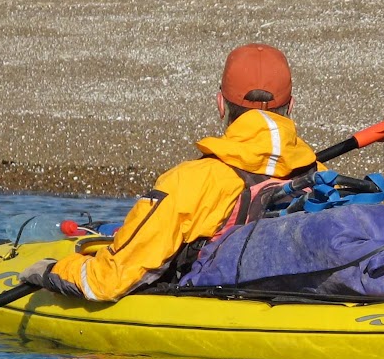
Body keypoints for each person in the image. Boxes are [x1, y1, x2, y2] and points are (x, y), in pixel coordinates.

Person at [19, 43, 318, 302]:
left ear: (220, 104)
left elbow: (106, 282)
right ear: (290, 106)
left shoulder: (189, 183)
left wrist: (50, 270)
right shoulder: (319, 175)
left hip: (204, 347)